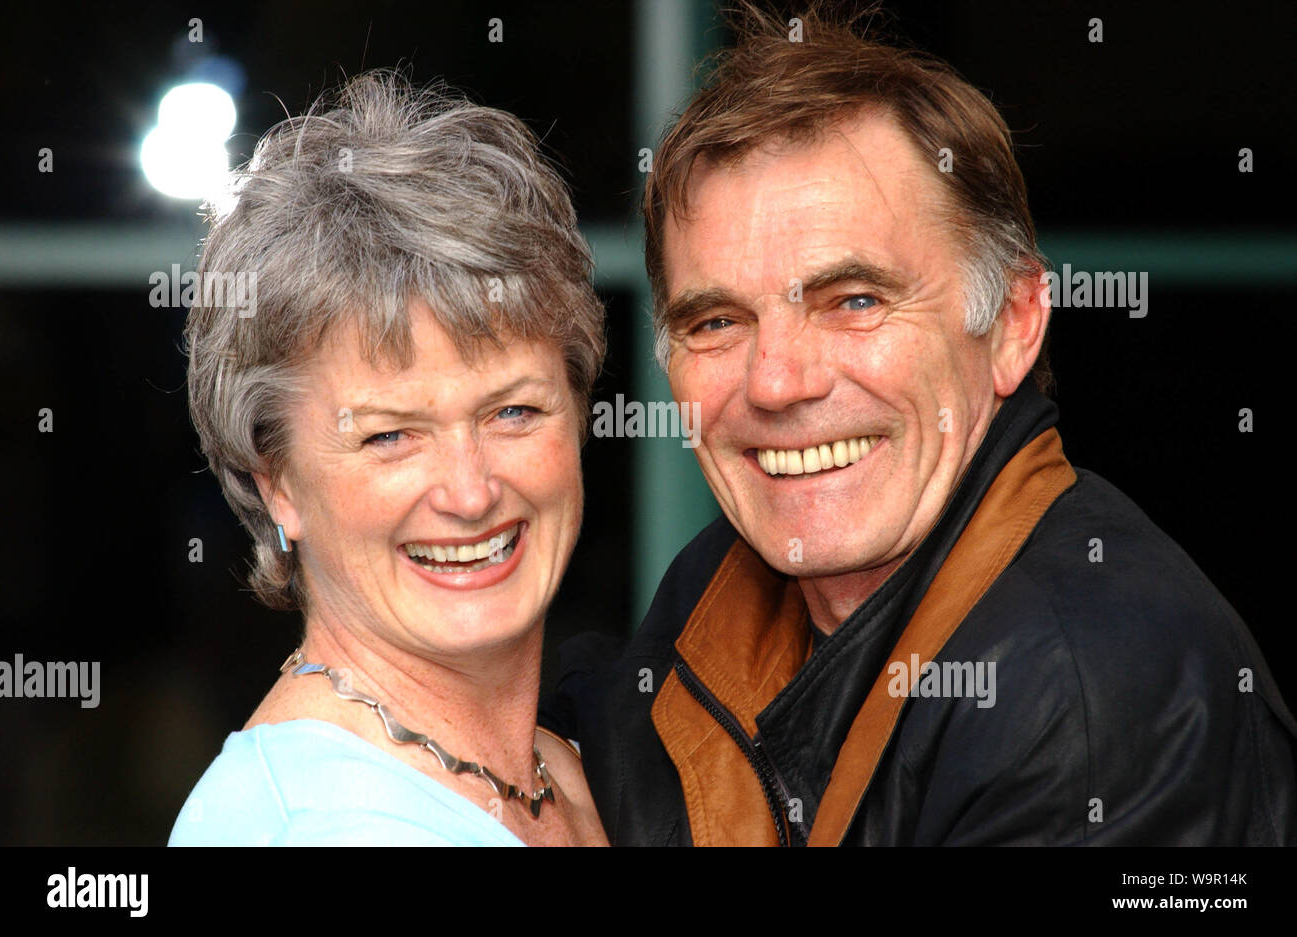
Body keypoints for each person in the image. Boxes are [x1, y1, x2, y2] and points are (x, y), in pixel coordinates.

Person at [542, 5, 1297, 845]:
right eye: (717, 321)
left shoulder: (1095, 697)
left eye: (854, 300)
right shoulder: (729, 579)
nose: (777, 381)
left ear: (1012, 324)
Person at [169, 71, 608, 846]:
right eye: (389, 435)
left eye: (513, 410)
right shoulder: (297, 829)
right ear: (276, 482)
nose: (470, 492)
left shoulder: (585, 766)